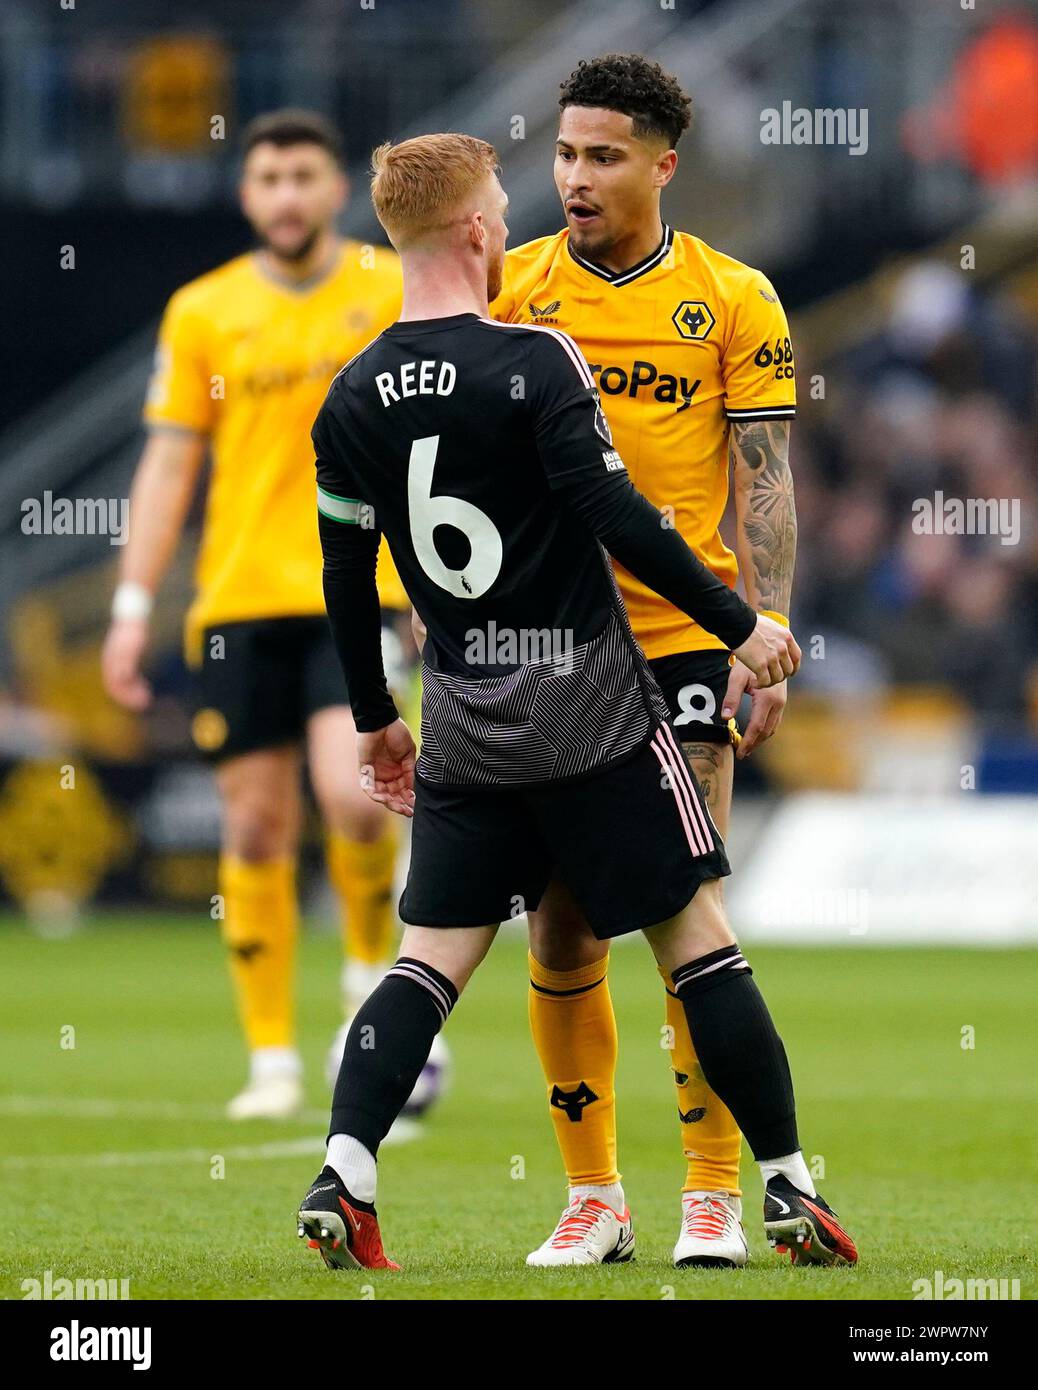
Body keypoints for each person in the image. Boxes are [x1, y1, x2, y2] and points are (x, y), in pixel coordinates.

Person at [295, 132, 856, 1273]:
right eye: (506, 203)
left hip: (462, 715)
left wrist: (375, 717)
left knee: (430, 958)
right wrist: (740, 621)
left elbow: (345, 581)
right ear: (474, 233)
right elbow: (622, 520)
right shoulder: (535, 359)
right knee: (699, 938)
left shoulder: (348, 397)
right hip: (596, 711)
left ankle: (344, 1168)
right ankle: (789, 1187)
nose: (518, 218)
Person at [490, 53, 799, 1267]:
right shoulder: (510, 292)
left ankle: (714, 1193)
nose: (574, 176)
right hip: (550, 644)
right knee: (562, 931)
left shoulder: (732, 297)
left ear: (664, 165)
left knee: (686, 915)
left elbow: (764, 481)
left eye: (603, 155)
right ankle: (594, 1197)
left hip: (683, 642)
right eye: (564, 153)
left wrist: (763, 639)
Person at [102, 110, 409, 1120]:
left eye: (304, 176)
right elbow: (168, 461)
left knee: (358, 798)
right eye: (268, 176)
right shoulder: (203, 310)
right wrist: (133, 605)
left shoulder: (389, 286)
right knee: (256, 822)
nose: (285, 194)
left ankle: (370, 979)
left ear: (334, 189)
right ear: (247, 194)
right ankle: (272, 1056)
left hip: (361, 592)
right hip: (237, 599)